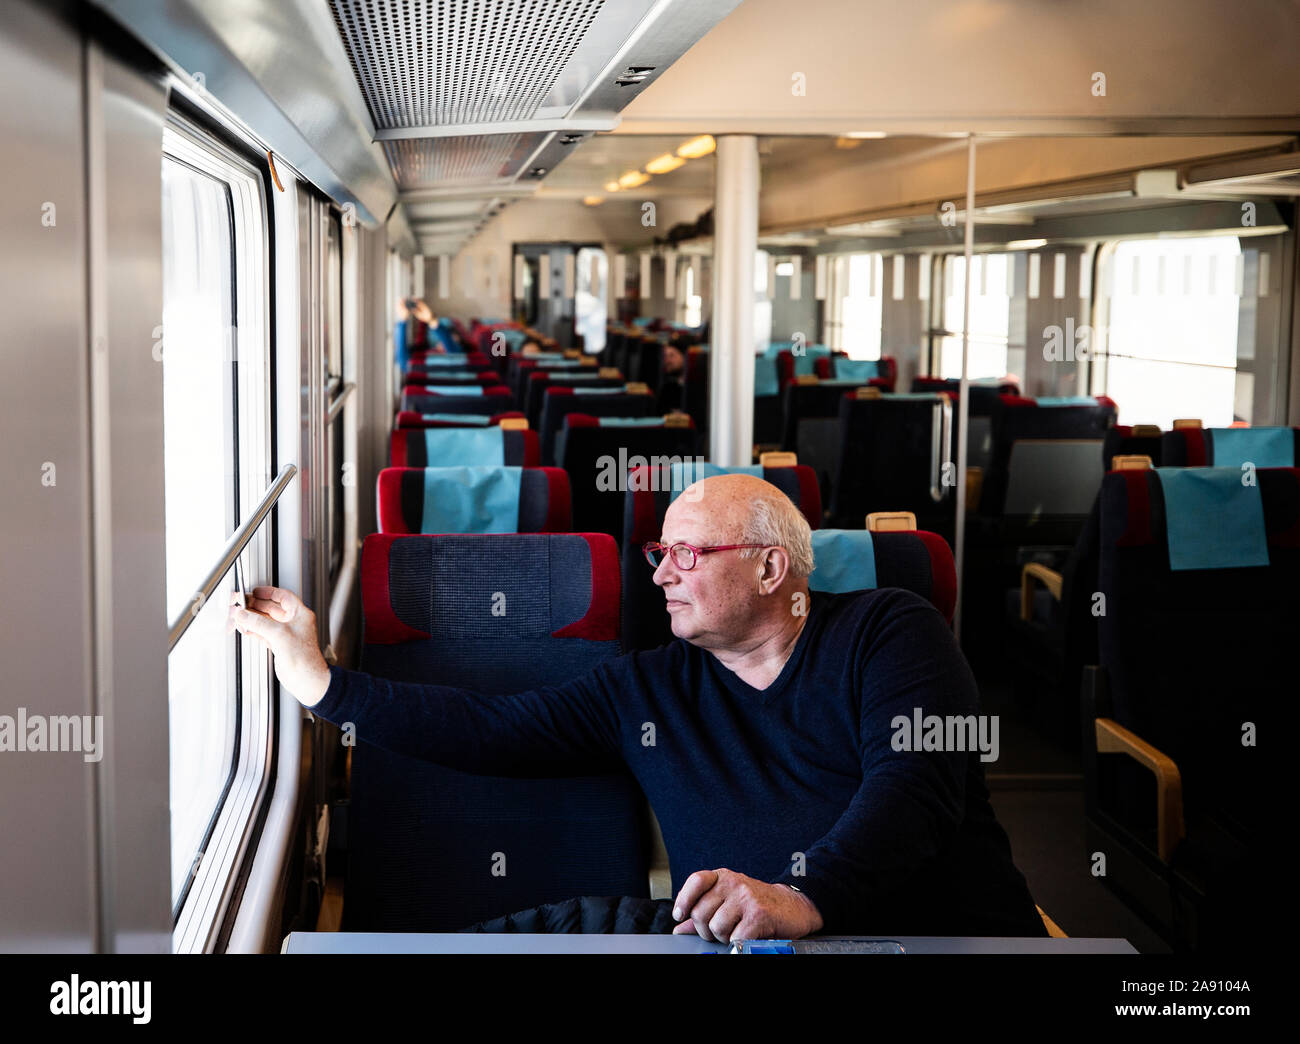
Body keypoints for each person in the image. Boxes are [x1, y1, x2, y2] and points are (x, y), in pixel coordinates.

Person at [228, 474, 1045, 942]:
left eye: (686, 555)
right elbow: (495, 732)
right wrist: (323, 684)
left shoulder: (889, 630)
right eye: (659, 554)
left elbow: (913, 791)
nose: (659, 576)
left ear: (770, 569)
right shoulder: (647, 687)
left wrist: (802, 897)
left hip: (947, 937)